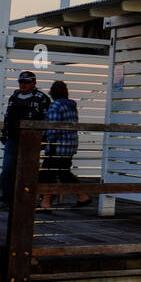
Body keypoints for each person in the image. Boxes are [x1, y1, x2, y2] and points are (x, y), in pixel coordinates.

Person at [0, 71, 52, 207]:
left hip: (31, 141)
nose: (23, 85)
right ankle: (7, 199)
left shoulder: (42, 98)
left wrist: (42, 140)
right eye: (21, 82)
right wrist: (4, 135)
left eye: (27, 82)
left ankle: (26, 201)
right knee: (7, 170)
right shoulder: (14, 96)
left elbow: (47, 121)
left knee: (28, 171)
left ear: (34, 83)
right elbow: (7, 116)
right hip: (12, 139)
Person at [41, 80, 87, 210]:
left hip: (57, 146)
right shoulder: (72, 106)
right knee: (63, 173)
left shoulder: (55, 106)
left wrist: (46, 140)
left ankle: (46, 202)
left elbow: (53, 128)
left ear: (52, 93)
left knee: (47, 173)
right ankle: (82, 196)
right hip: (70, 145)